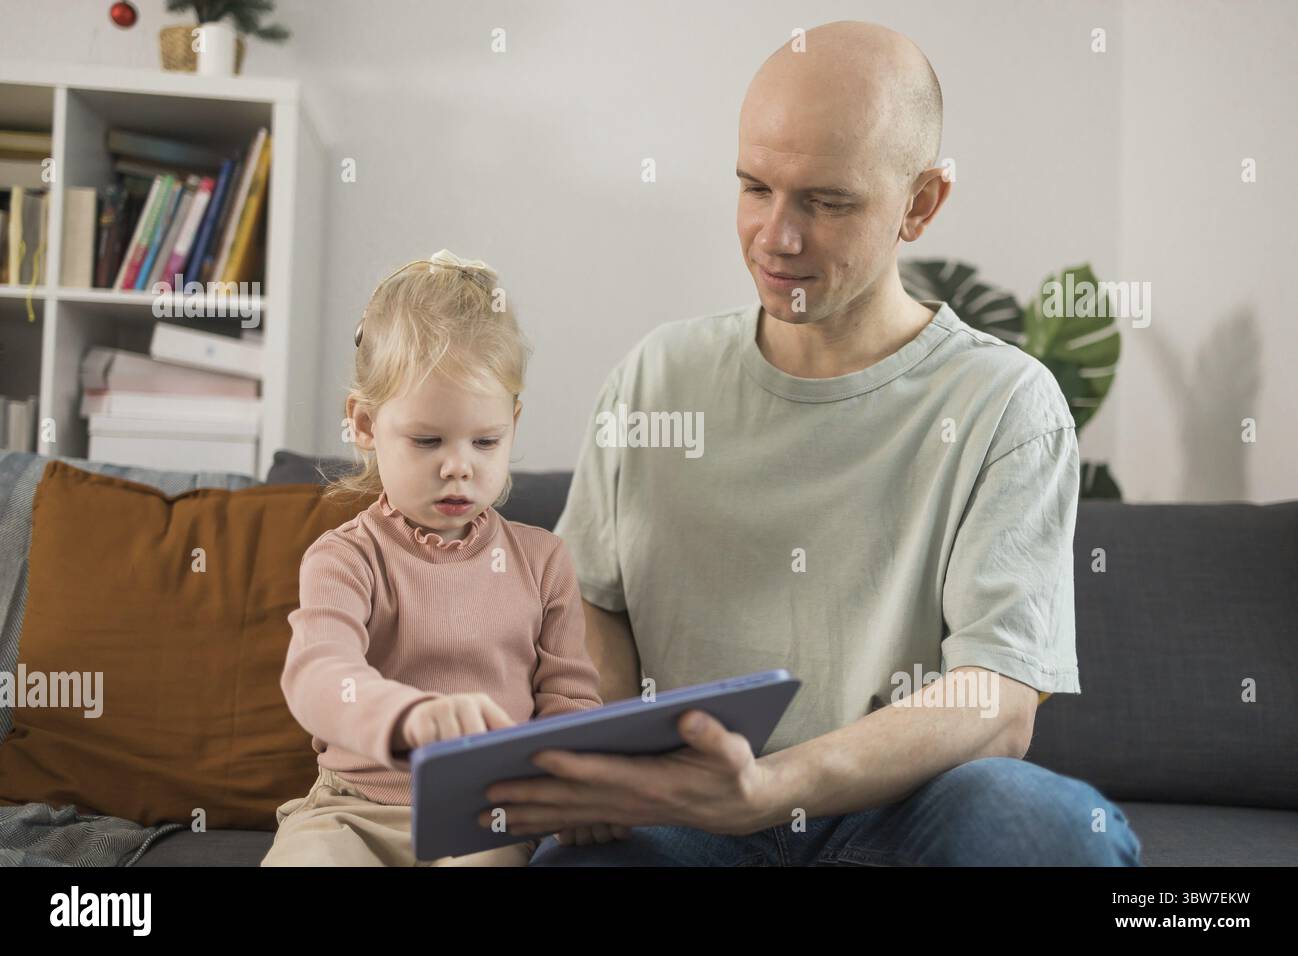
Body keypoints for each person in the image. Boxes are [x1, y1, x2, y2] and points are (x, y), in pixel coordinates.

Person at [492, 22, 1142, 866]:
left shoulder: (1005, 404)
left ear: (921, 204)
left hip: (899, 809)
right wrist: (612, 760)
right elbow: (597, 605)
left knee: (1037, 827)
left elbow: (1001, 699)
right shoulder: (657, 378)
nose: (778, 238)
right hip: (686, 814)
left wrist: (772, 786)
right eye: (755, 188)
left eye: (827, 203)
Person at [262, 249, 603, 867]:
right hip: (353, 806)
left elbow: (569, 702)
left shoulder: (545, 561)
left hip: (486, 815)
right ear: (364, 425)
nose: (459, 465)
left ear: (513, 424)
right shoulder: (344, 559)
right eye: (427, 440)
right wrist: (410, 720)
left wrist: (579, 789)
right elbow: (316, 676)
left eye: (485, 440)